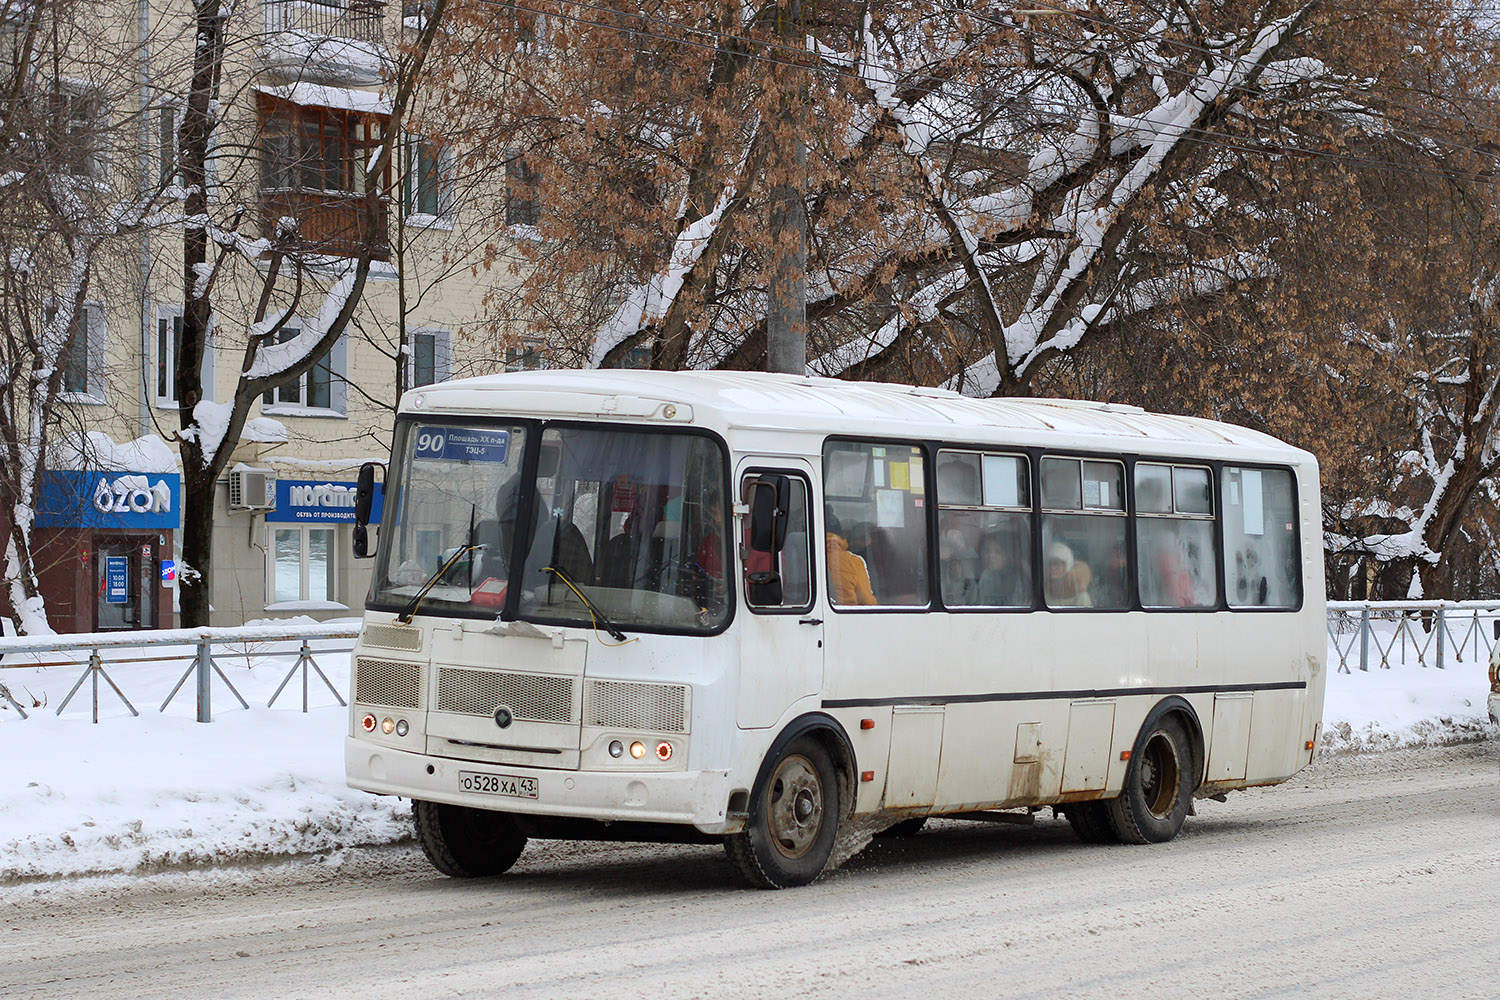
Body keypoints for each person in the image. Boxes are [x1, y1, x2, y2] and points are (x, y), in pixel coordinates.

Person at [825, 509, 876, 606]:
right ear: (842, 535)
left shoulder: (805, 557)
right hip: (848, 613)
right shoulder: (853, 561)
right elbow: (867, 602)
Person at [975, 530, 1025, 606]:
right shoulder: (986, 576)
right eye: (988, 551)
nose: (991, 556)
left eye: (998, 551)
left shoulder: (1019, 579)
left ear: (1008, 554)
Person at [1044, 540, 1092, 607]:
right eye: (1049, 563)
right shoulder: (1042, 592)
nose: (1052, 567)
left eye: (1056, 563)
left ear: (1067, 567)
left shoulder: (1081, 597)